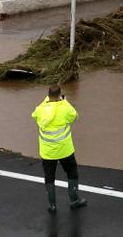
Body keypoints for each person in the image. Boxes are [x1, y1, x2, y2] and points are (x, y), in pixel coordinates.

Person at [32, 84, 86, 213]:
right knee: (72, 173)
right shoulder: (64, 107)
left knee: (49, 177)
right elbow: (75, 116)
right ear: (59, 95)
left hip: (47, 152)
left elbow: (34, 115)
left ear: (48, 95)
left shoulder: (40, 110)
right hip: (65, 150)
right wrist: (64, 101)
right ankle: (74, 201)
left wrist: (47, 102)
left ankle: (52, 205)